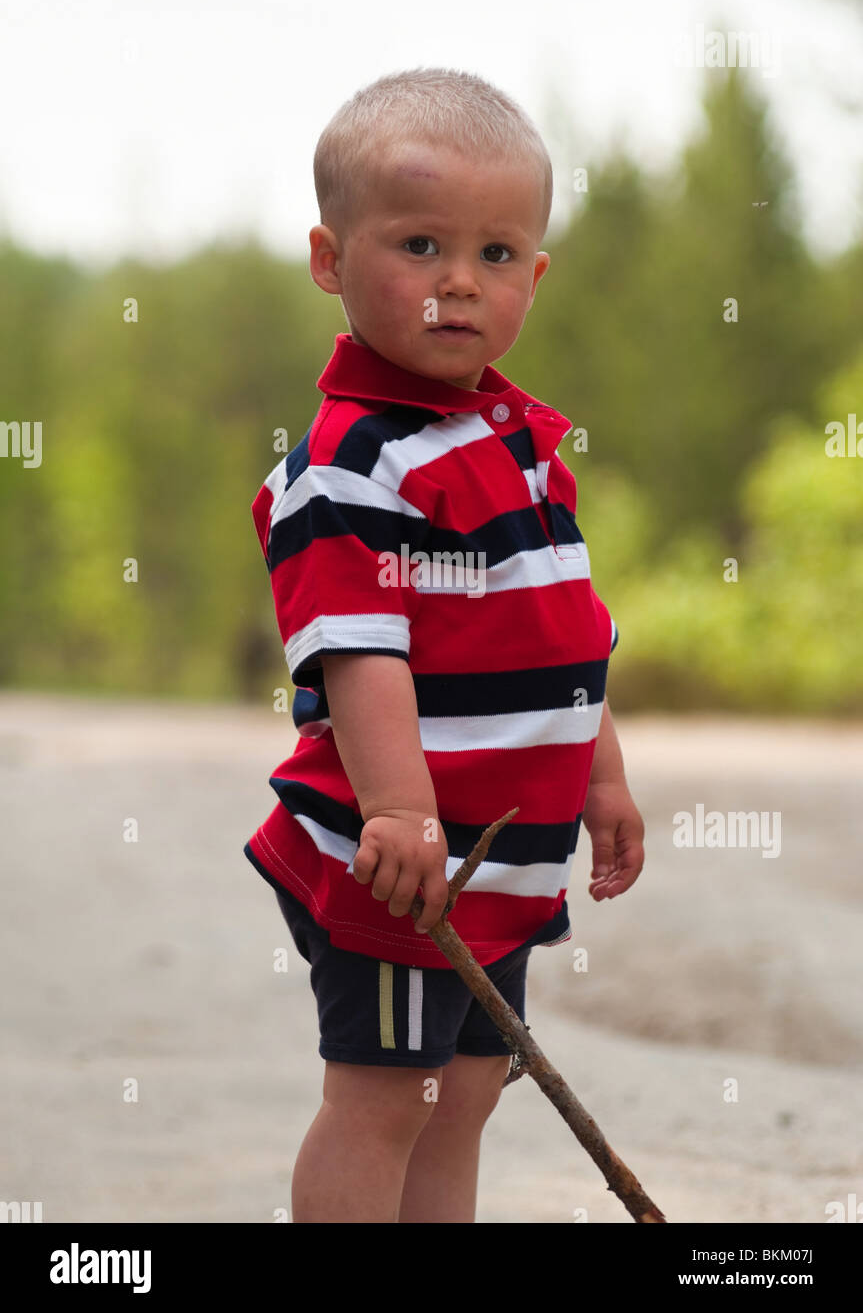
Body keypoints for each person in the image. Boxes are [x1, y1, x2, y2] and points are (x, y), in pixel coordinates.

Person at [242, 66, 645, 1223]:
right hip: (405, 860)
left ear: (535, 273)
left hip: (500, 863)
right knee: (382, 1099)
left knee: (461, 1092)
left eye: (496, 254)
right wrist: (399, 811)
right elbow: (362, 654)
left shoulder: (514, 442)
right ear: (331, 260)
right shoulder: (354, 461)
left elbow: (564, 626)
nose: (458, 283)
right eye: (418, 246)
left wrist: (602, 776)